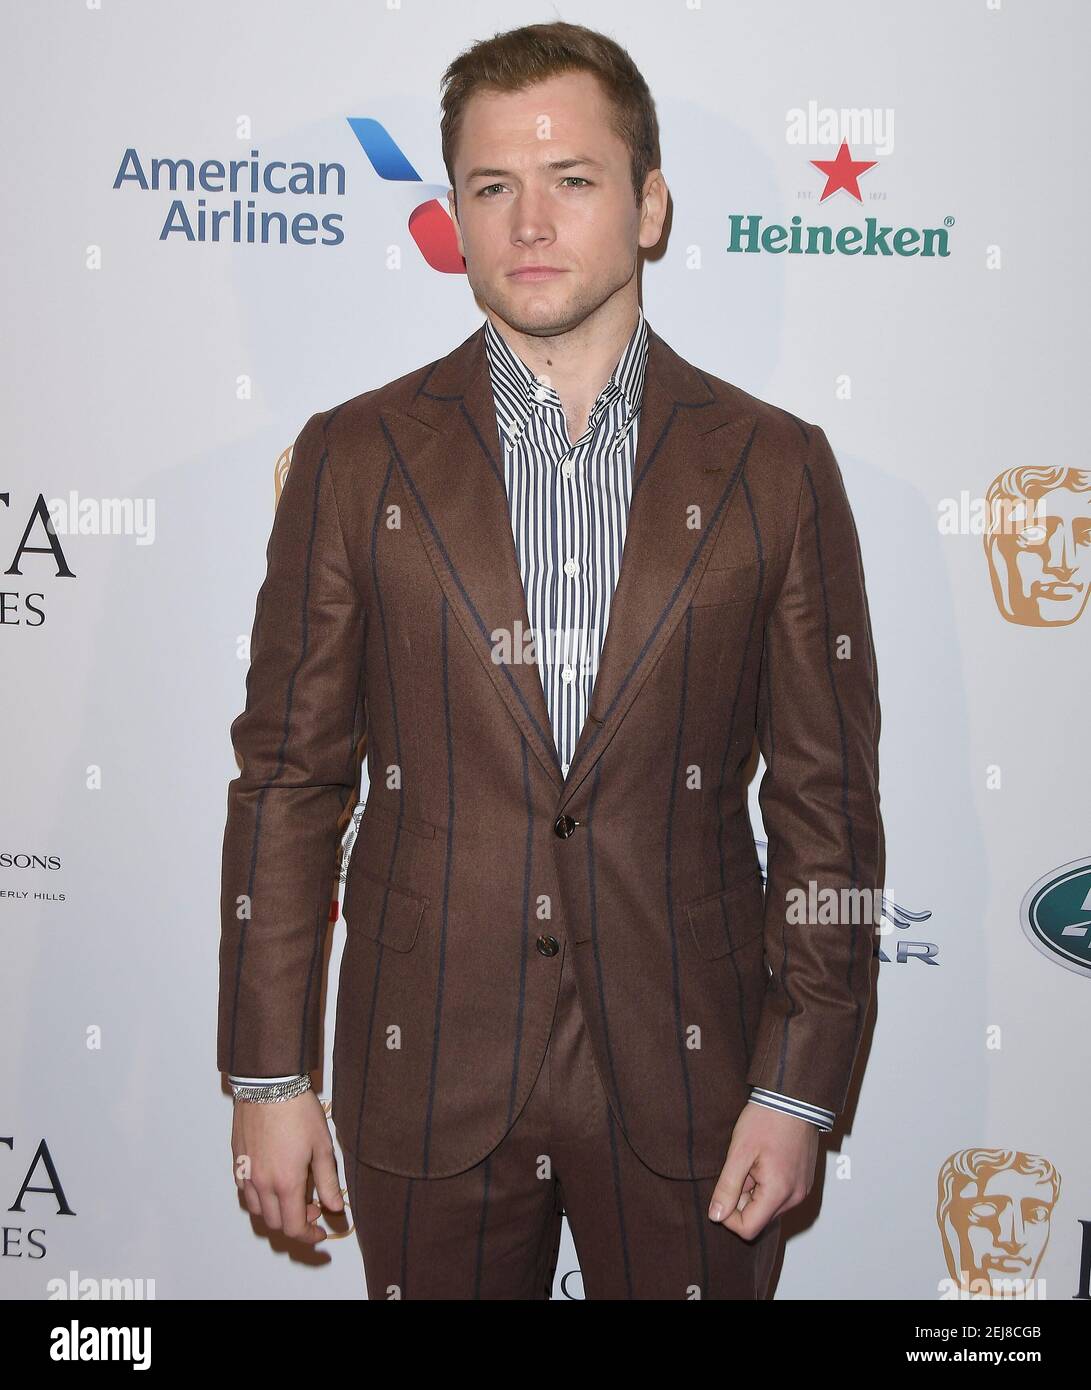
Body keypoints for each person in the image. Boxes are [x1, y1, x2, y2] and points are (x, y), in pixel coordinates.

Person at [217, 20, 883, 1300]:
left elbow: (826, 811)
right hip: (426, 1058)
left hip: (694, 1060)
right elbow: (290, 782)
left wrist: (800, 1080)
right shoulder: (355, 459)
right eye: (491, 187)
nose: (530, 222)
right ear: (452, 218)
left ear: (647, 206)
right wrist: (267, 1076)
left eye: (571, 181)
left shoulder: (776, 466)